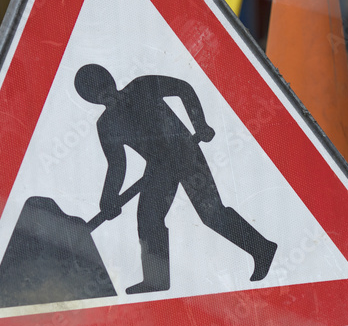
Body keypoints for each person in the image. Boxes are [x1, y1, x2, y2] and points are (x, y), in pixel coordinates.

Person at [74, 64, 277, 294]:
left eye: (105, 88)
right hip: (158, 169)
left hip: (185, 152)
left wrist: (199, 124)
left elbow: (183, 88)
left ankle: (262, 249)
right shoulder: (107, 125)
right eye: (98, 94)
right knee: (148, 219)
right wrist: (108, 198)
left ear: (111, 80)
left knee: (212, 214)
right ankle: (156, 279)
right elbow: (117, 165)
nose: (107, 96)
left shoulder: (142, 86)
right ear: (92, 100)